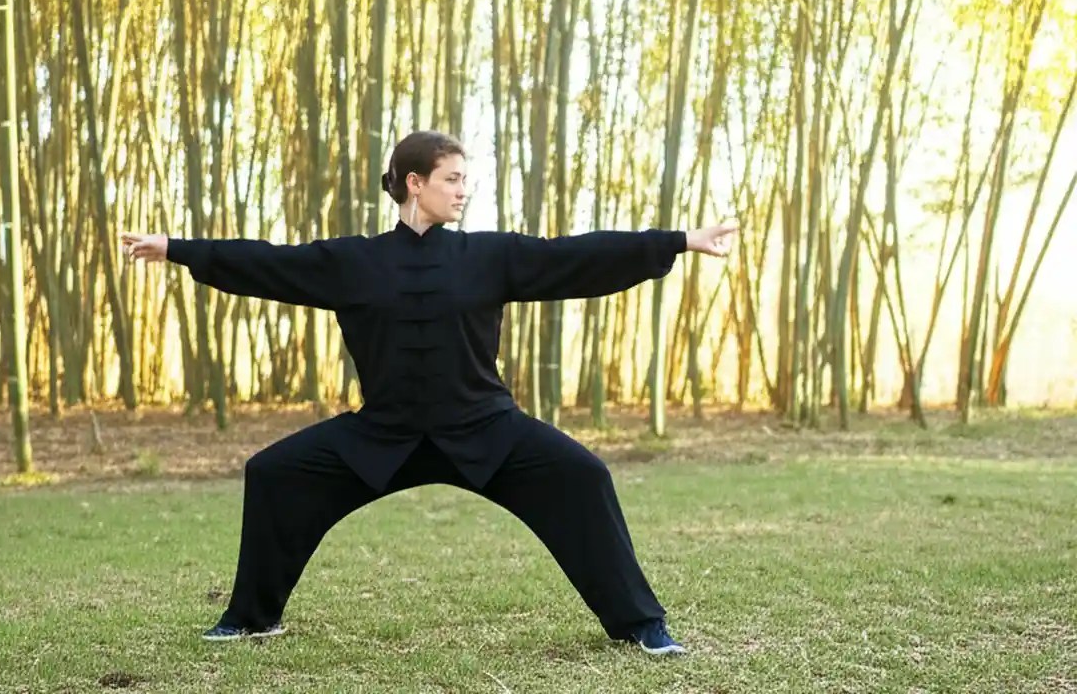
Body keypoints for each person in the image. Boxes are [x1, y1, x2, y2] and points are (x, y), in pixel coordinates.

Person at [120, 130, 737, 656]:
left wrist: (677, 240)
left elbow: (574, 257)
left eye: (465, 179)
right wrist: (176, 249)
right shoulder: (352, 262)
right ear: (414, 183)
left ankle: (641, 626)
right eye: (452, 178)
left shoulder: (488, 255)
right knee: (276, 473)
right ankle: (251, 619)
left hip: (486, 430)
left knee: (583, 476)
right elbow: (267, 264)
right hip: (381, 436)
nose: (463, 190)